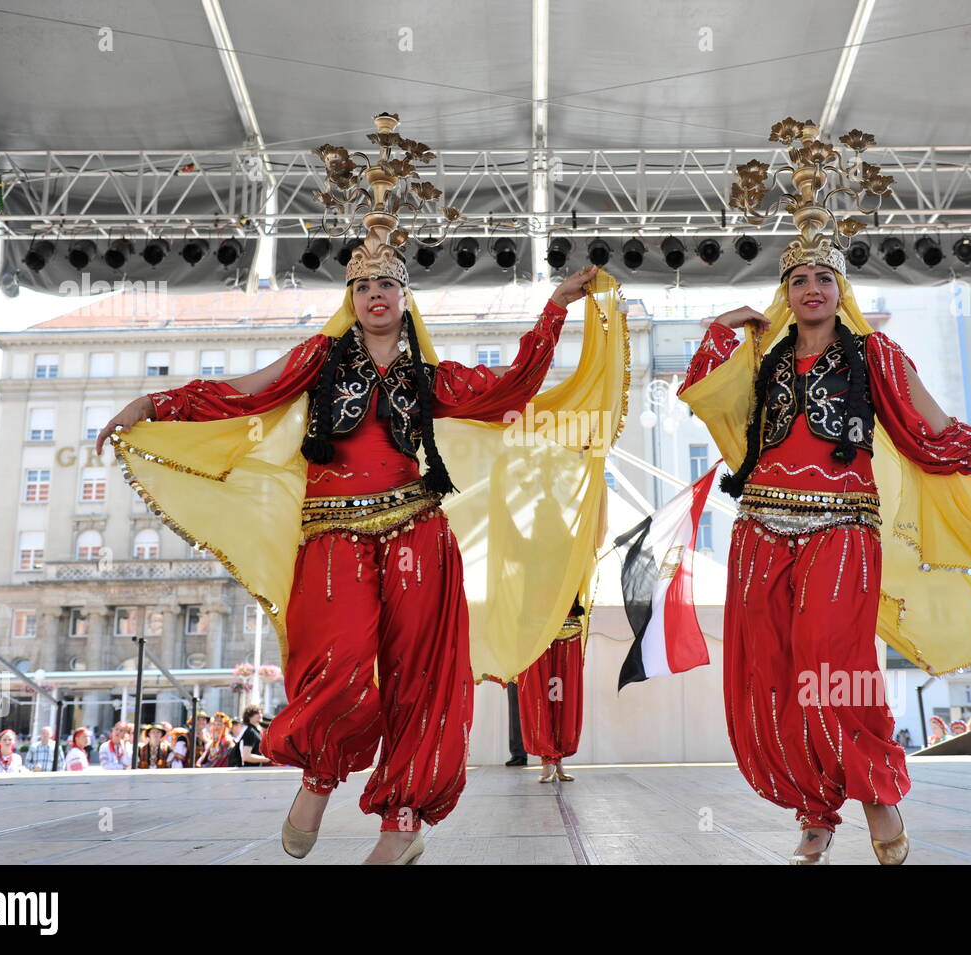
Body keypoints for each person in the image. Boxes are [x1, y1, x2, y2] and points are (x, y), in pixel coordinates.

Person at [97, 118, 617, 867]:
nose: (377, 293)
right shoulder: (318, 358)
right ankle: (320, 770)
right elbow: (244, 394)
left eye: (389, 283)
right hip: (334, 537)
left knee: (420, 681)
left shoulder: (430, 379)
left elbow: (510, 385)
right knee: (335, 666)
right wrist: (155, 404)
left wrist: (556, 309)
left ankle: (402, 820)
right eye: (365, 283)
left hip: (417, 536)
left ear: (407, 298)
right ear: (351, 296)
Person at [677, 117, 971, 866]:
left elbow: (936, 430)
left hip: (839, 534)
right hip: (759, 531)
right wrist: (724, 322)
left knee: (835, 670)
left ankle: (877, 795)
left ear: (841, 287)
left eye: (824, 277)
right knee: (774, 677)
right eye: (798, 279)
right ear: (785, 293)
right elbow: (701, 390)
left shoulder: (875, 354)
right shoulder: (762, 357)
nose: (812, 288)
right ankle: (814, 810)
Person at [518, 598, 587, 783]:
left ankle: (557, 760)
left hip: (567, 623)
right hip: (535, 623)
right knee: (537, 697)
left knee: (564, 698)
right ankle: (547, 759)